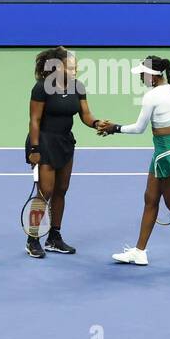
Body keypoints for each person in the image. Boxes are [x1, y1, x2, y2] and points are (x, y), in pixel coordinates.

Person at [101, 56, 170, 269]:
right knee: (151, 199)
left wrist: (115, 128)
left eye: (143, 73)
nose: (141, 77)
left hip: (167, 153)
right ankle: (139, 252)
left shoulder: (151, 96)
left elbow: (139, 128)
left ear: (154, 75)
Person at [25, 48, 109, 258]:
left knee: (61, 190)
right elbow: (34, 120)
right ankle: (32, 239)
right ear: (58, 66)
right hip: (43, 142)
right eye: (71, 66)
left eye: (75, 66)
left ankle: (54, 236)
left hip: (64, 142)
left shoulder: (77, 87)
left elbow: (86, 115)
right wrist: (34, 149)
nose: (75, 69)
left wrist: (97, 123)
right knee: (45, 191)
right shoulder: (41, 88)